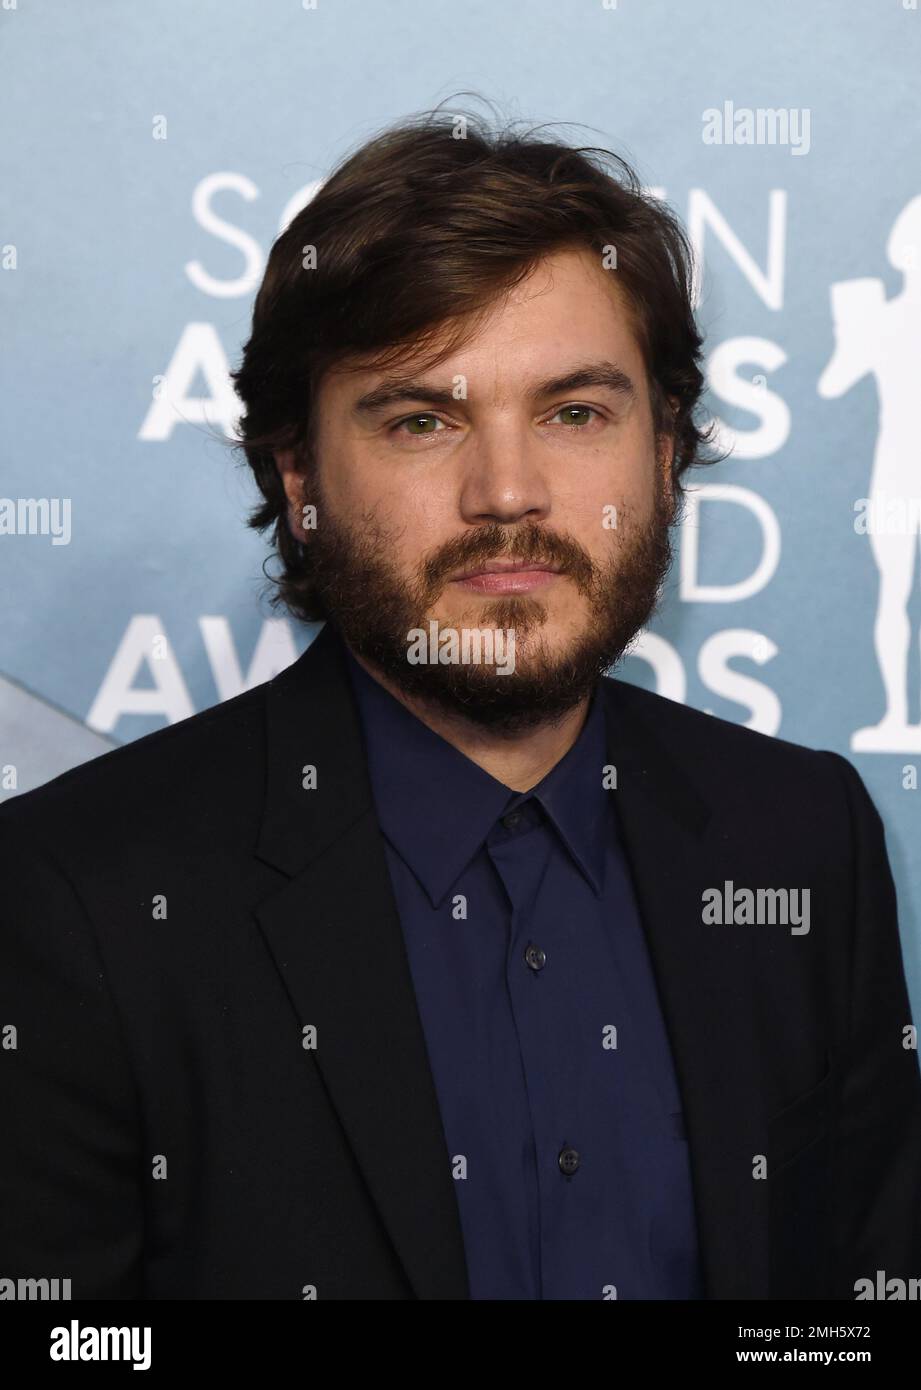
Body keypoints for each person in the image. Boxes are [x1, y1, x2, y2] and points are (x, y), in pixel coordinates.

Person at [1, 109, 919, 1301]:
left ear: (667, 454)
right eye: (423, 419)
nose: (508, 492)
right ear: (298, 475)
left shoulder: (803, 835)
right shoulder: (81, 897)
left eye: (575, 412)